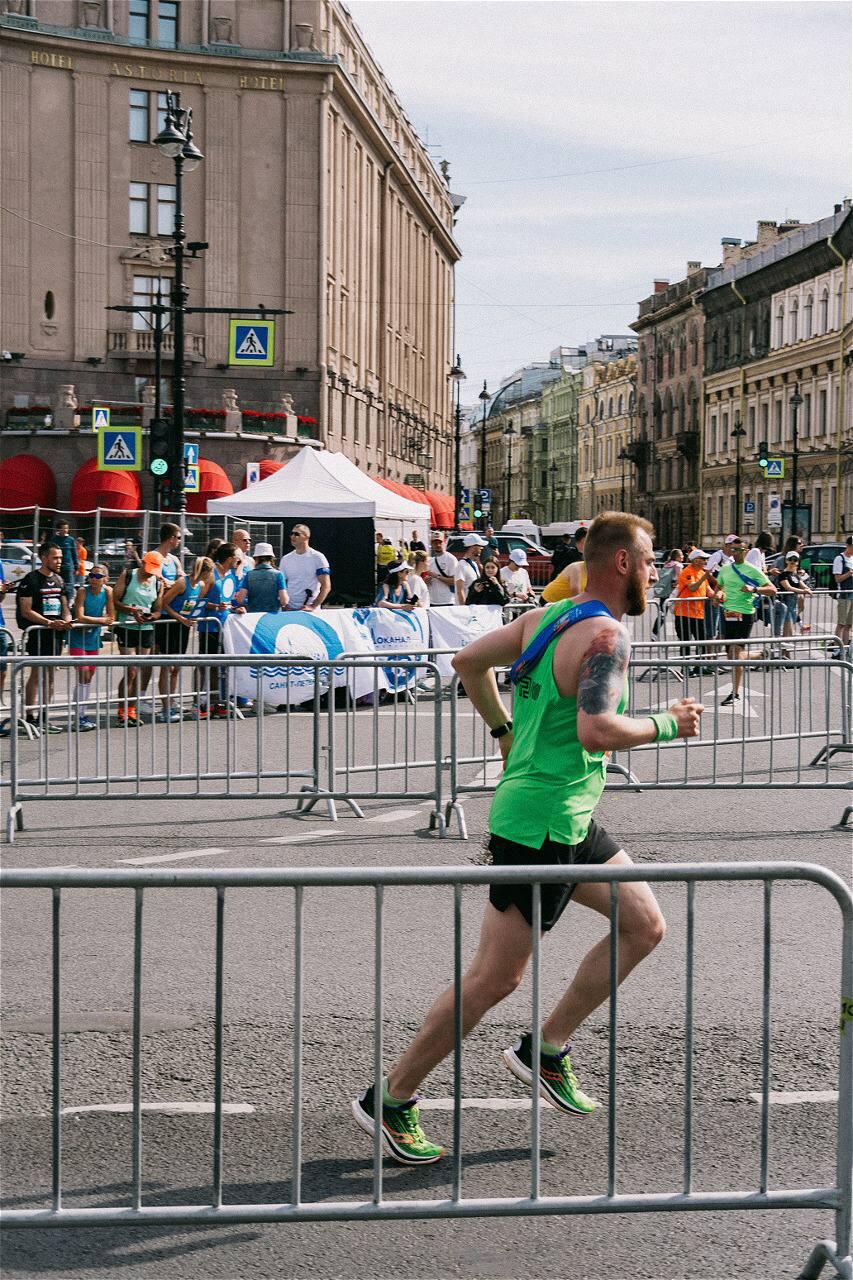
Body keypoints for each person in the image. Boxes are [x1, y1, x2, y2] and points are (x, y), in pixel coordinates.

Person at [351, 511, 703, 1164]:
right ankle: (390, 1098)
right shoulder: (604, 637)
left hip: (566, 818)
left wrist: (504, 732)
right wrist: (664, 723)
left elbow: (466, 661)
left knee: (643, 924)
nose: (655, 571)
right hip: (540, 827)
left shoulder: (549, 618)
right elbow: (598, 729)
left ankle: (543, 1049)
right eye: (650, 559)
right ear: (621, 563)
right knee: (494, 979)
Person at [16, 543, 71, 733]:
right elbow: (26, 610)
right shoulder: (30, 580)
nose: (59, 561)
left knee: (50, 676)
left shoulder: (59, 579)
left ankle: (44, 717)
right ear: (44, 558)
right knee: (36, 674)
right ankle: (30, 717)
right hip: (38, 633)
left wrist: (67, 620)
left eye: (61, 558)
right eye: (55, 558)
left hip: (56, 635)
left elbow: (64, 606)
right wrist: (48, 623)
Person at [715, 538, 777, 706]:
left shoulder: (752, 570)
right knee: (732, 656)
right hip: (727, 614)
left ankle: (735, 693)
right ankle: (760, 655)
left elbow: (772, 589)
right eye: (733, 550)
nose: (735, 553)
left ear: (746, 551)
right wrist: (718, 595)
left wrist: (755, 589)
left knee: (735, 654)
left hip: (745, 615)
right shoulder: (725, 569)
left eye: (739, 550)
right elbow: (719, 587)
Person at [113, 551, 165, 725]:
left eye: (154, 570)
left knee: (141, 671)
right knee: (131, 670)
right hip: (127, 626)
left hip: (146, 628)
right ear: (143, 563)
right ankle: (122, 711)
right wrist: (131, 611)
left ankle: (132, 711)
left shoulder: (158, 582)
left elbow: (158, 609)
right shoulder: (128, 575)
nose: (151, 572)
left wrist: (152, 616)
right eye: (149, 568)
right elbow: (116, 601)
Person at [197, 543, 246, 718]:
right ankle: (202, 703)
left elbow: (228, 601)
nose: (239, 561)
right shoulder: (211, 574)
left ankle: (218, 701)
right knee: (207, 666)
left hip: (225, 626)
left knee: (222, 666)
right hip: (208, 626)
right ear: (229, 558)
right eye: (236, 557)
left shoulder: (231, 575)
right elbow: (199, 600)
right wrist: (215, 606)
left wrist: (235, 609)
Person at [162, 557, 215, 715]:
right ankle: (166, 705)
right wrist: (180, 618)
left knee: (176, 667)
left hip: (183, 626)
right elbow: (164, 602)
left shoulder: (201, 585)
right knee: (168, 666)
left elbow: (193, 604)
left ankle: (171, 701)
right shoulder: (182, 583)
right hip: (169, 623)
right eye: (210, 572)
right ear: (204, 572)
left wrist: (192, 616)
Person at [71, 564, 115, 731]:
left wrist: (102, 621)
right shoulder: (83, 591)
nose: (94, 579)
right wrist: (100, 621)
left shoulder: (108, 592)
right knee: (82, 672)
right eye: (91, 575)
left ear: (105, 579)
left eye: (98, 576)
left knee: (89, 675)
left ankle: (82, 714)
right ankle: (78, 715)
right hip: (77, 637)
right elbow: (80, 616)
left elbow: (111, 616)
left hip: (93, 637)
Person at [672, 550, 716, 672]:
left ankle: (698, 667)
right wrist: (705, 577)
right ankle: (685, 668)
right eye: (704, 559)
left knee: (701, 641)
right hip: (684, 613)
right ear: (696, 560)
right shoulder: (687, 572)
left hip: (698, 614)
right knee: (685, 642)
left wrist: (718, 594)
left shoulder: (702, 573)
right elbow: (692, 587)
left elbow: (708, 591)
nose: (706, 561)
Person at [746, 531, 786, 644]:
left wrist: (769, 572)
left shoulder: (761, 554)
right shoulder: (755, 552)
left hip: (760, 594)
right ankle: (775, 639)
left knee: (780, 609)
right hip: (753, 594)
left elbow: (761, 572)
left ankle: (775, 638)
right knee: (749, 622)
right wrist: (769, 572)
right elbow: (754, 572)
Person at [279, 524, 331, 611]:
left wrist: (313, 606)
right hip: (290, 609)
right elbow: (282, 584)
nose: (292, 536)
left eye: (296, 534)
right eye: (291, 533)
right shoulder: (286, 559)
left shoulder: (318, 557)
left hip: (309, 610)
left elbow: (326, 586)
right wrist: (284, 604)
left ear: (306, 536)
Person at [239, 543, 289, 613]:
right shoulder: (278, 575)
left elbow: (240, 599)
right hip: (272, 615)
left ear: (256, 558)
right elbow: (284, 601)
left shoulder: (249, 575)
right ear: (271, 558)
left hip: (253, 616)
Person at [776, 552, 812, 641]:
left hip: (793, 605)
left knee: (789, 634)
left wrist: (807, 589)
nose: (792, 561)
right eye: (790, 559)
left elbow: (802, 585)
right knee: (788, 633)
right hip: (786, 603)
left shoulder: (795, 575)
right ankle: (784, 653)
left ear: (797, 562)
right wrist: (804, 591)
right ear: (786, 561)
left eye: (795, 560)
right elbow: (788, 587)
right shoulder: (783, 574)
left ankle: (786, 654)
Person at [651, 548, 683, 638]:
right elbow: (681, 579)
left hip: (665, 592)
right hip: (674, 593)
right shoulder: (678, 566)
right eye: (681, 555)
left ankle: (654, 633)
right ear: (677, 557)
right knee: (679, 615)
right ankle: (681, 636)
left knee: (662, 614)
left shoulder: (667, 564)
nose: (683, 557)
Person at [425, 532, 459, 607]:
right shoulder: (430, 561)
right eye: (435, 542)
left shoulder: (451, 559)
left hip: (447, 601)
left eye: (440, 542)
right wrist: (426, 581)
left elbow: (454, 581)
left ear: (444, 542)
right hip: (432, 601)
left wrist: (437, 576)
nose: (438, 545)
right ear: (431, 544)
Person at [48, 519, 77, 603]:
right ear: (58, 529)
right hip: (56, 566)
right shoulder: (53, 539)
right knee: (56, 582)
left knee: (69, 584)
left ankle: (69, 600)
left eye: (67, 528)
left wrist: (76, 565)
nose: (65, 530)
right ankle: (57, 599)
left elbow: (74, 553)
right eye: (63, 528)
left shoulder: (70, 540)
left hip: (68, 566)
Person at [832, 536, 853, 652]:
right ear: (848, 546)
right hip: (844, 595)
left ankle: (845, 649)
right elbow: (837, 579)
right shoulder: (839, 559)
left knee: (849, 624)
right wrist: (849, 574)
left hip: (852, 594)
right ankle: (836, 649)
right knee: (841, 623)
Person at [455, 533, 488, 604]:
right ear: (473, 547)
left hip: (474, 606)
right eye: (480, 546)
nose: (481, 549)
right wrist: (464, 608)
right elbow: (459, 590)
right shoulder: (461, 565)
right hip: (465, 609)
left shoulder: (474, 564)